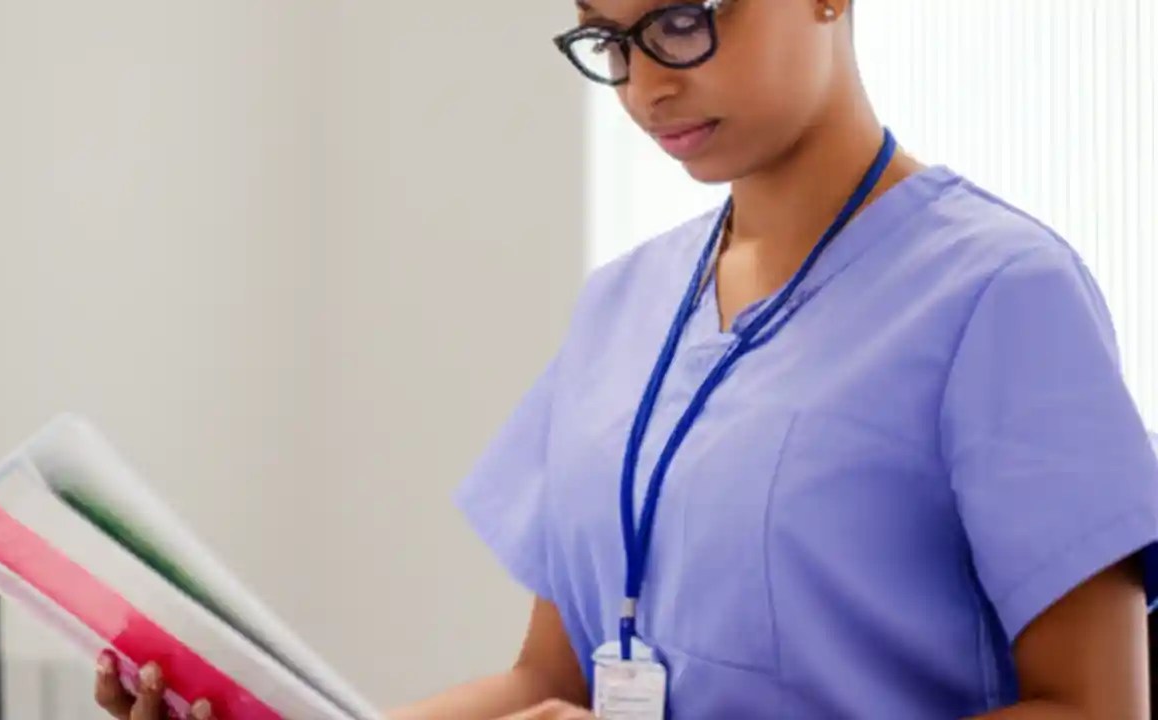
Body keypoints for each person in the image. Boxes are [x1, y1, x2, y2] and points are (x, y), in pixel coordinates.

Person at [95, 0, 1158, 717]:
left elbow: (1096, 708)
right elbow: (546, 678)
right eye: (608, 42)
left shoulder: (996, 292)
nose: (644, 83)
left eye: (682, 22)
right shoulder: (624, 303)